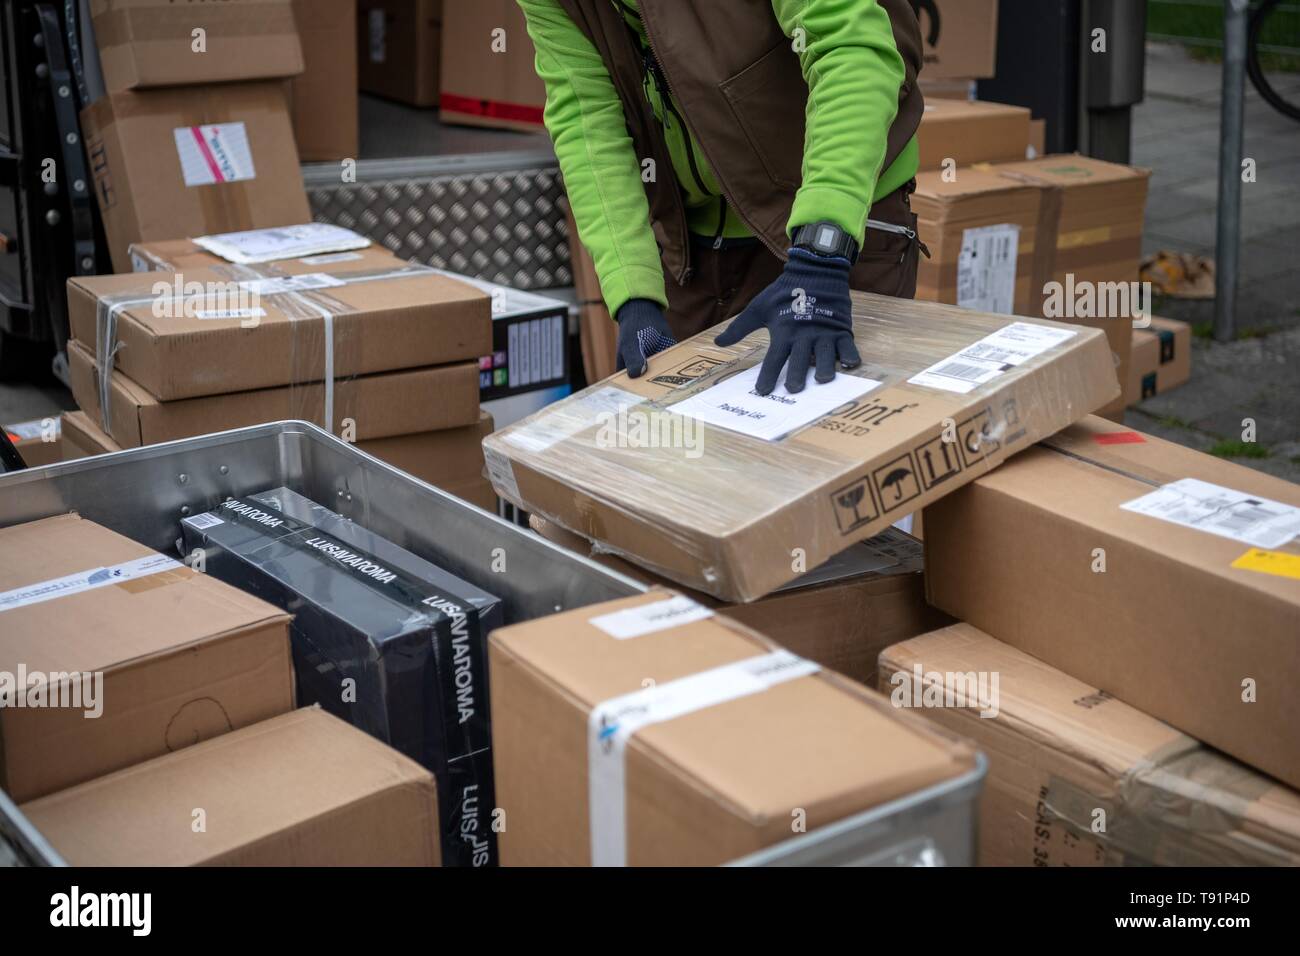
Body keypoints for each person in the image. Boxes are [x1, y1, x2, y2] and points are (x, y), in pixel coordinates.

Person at [518, 0, 926, 396]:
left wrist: (823, 246)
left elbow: (851, 48)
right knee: (684, 449)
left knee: (836, 433)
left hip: (840, 207)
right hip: (697, 239)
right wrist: (633, 293)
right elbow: (587, 117)